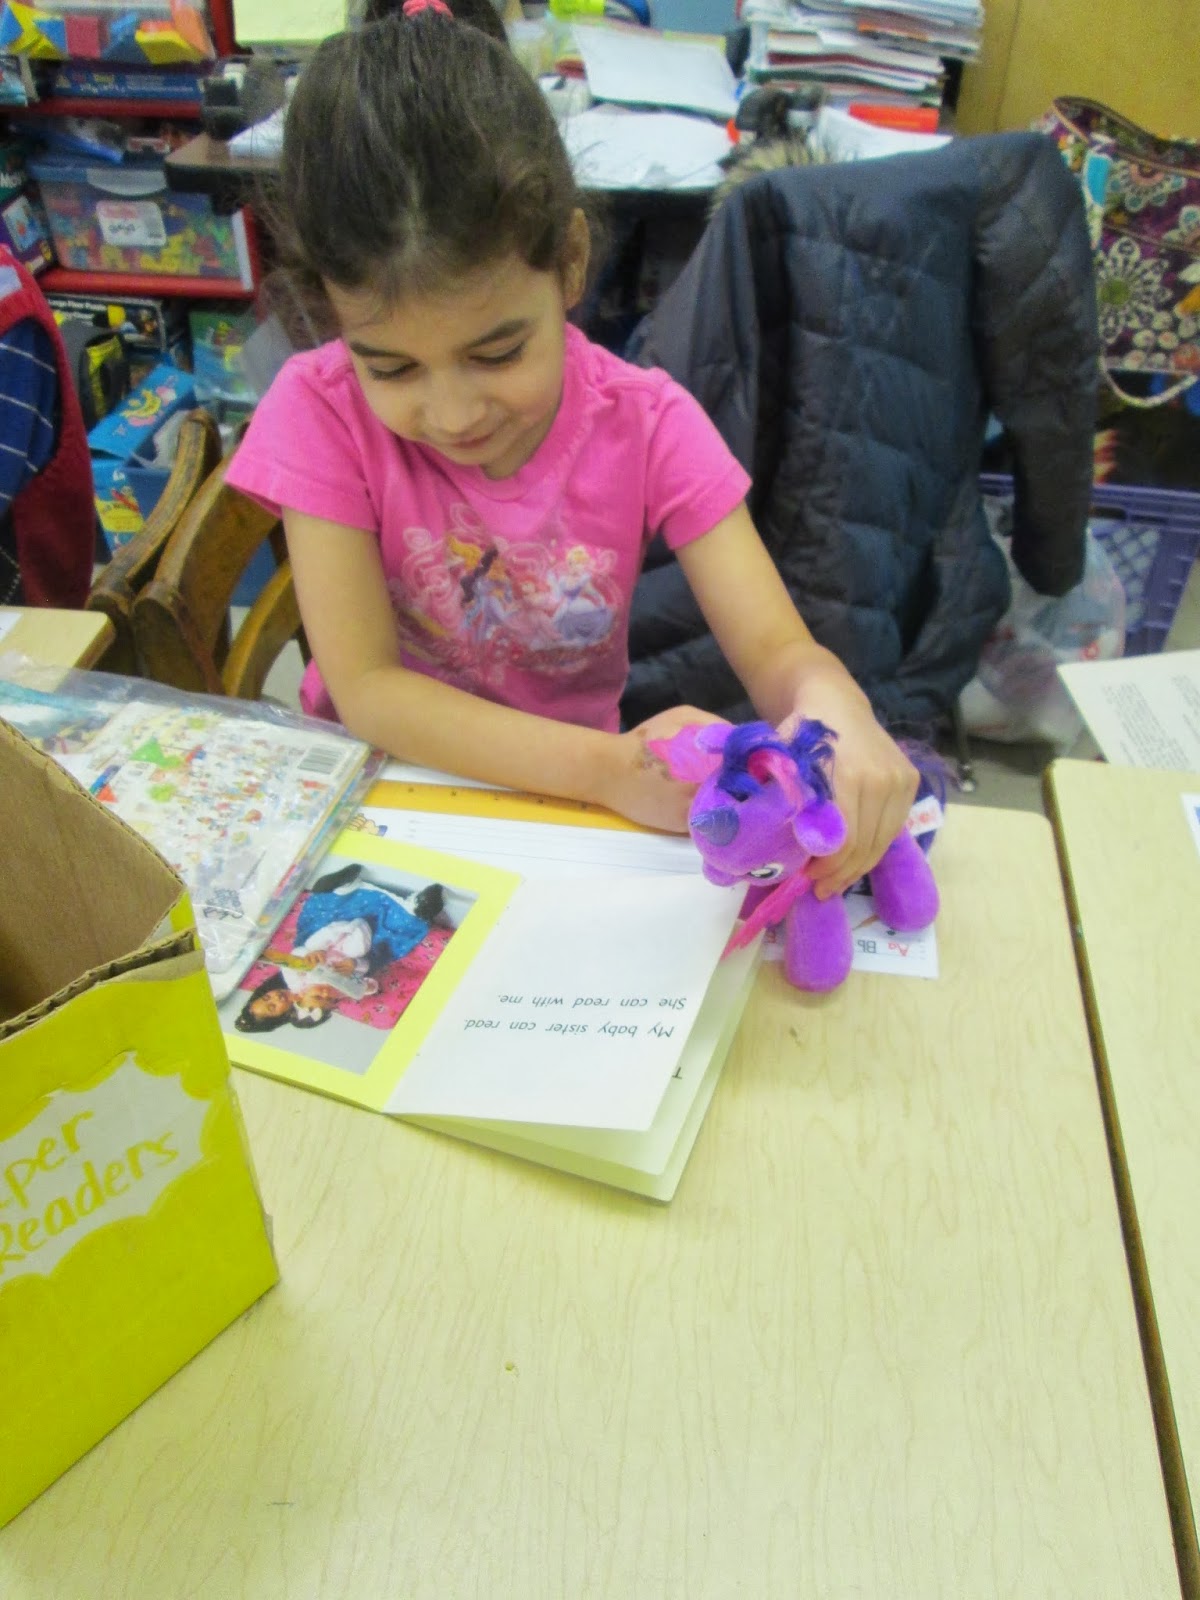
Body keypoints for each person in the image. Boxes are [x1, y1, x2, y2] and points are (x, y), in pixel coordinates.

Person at [226, 3, 918, 901]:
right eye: (391, 367)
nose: (452, 414)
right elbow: (368, 688)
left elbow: (779, 651)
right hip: (381, 802)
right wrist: (606, 770)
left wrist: (835, 706)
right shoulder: (320, 412)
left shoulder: (649, 423)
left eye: (497, 353)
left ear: (571, 261)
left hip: (572, 819)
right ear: (331, 314)